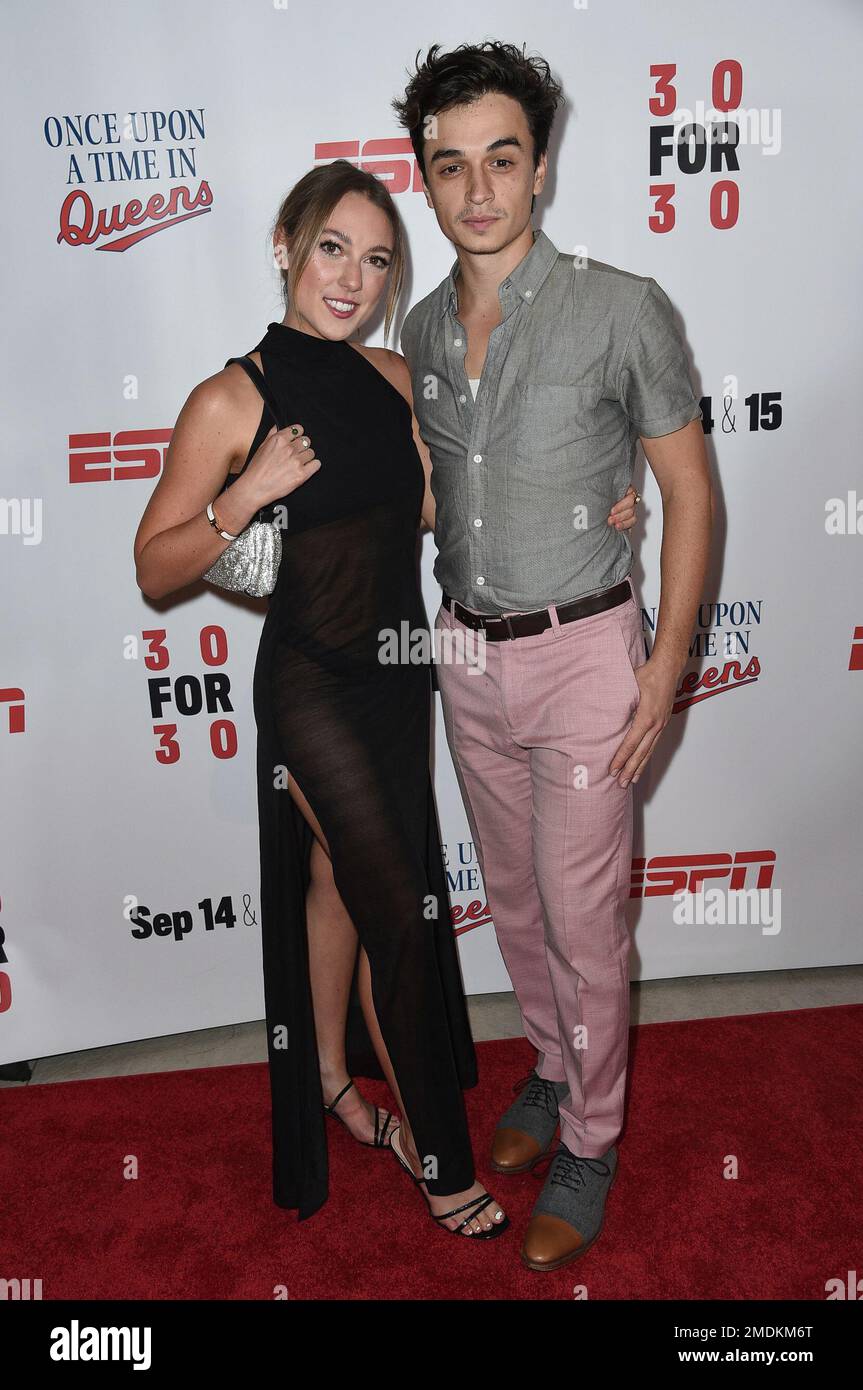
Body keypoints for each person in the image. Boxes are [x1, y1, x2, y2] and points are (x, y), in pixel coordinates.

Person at [133, 158, 640, 1238]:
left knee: (339, 887)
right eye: (331, 250)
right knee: (401, 913)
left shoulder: (395, 377)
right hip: (311, 686)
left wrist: (598, 499)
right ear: (284, 244)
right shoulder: (232, 396)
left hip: (401, 672)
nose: (351, 279)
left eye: (375, 261)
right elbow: (154, 566)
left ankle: (326, 1071)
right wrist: (244, 493)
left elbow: (440, 510)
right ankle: (439, 1157)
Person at [392, 41, 713, 1269]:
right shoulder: (419, 329)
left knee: (584, 920)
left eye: (500, 160)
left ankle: (590, 1130)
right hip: (465, 657)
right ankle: (543, 1066)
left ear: (539, 169)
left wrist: (664, 666)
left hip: (587, 656)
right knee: (514, 898)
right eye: (449, 166)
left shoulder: (621, 306)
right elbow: (435, 497)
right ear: (425, 179)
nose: (476, 189)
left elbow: (688, 490)